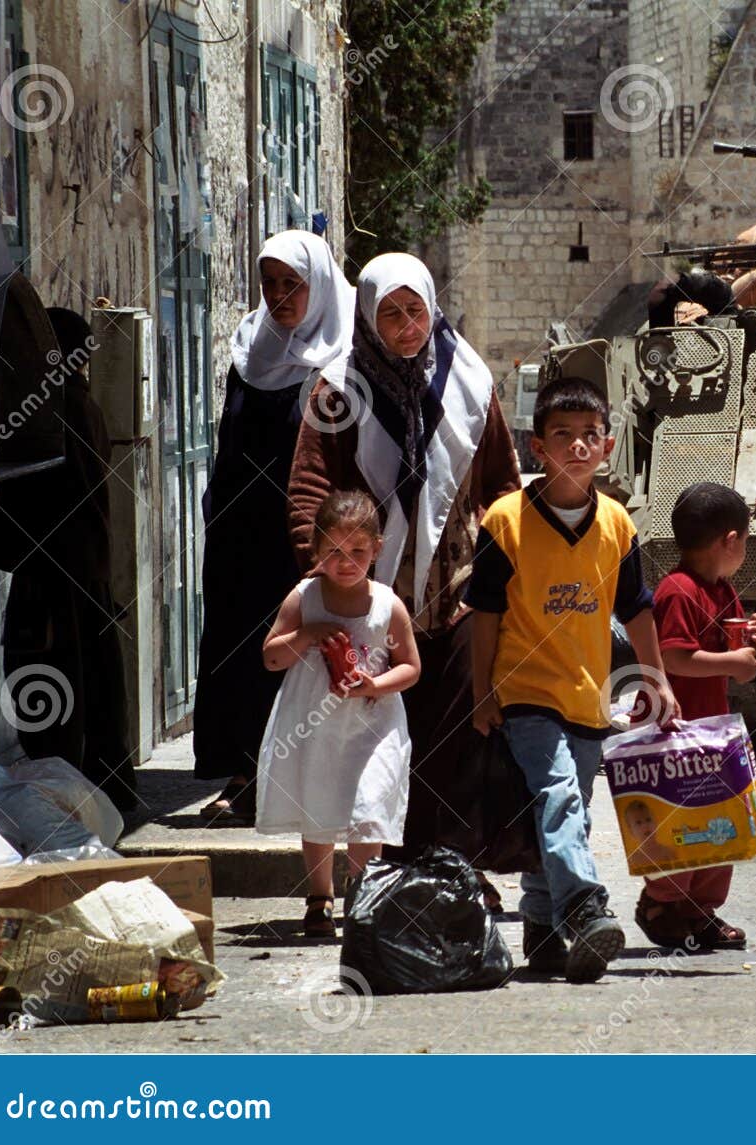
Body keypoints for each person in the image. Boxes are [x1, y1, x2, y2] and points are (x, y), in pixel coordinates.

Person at [287, 252, 521, 909]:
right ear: (368, 315)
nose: (407, 324)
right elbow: (309, 493)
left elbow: (501, 480)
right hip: (372, 596)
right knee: (383, 737)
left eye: (415, 308)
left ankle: (451, 868)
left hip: (459, 587)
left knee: (457, 735)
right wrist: (325, 585)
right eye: (390, 312)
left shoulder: (468, 379)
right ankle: (387, 873)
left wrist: (511, 572)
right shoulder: (338, 390)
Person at [465, 377, 679, 983]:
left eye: (590, 436)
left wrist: (656, 679)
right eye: (564, 436)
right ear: (539, 447)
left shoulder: (616, 525)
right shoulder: (506, 522)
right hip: (526, 691)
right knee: (557, 796)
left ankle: (542, 930)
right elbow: (485, 614)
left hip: (590, 696)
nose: (578, 447)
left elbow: (636, 606)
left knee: (564, 814)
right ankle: (586, 910)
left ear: (608, 447)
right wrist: (483, 691)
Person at [196, 231, 354, 824]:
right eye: (271, 283)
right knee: (240, 644)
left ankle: (303, 776)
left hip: (305, 532)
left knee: (306, 643)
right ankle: (242, 773)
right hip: (240, 527)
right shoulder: (249, 350)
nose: (281, 296)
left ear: (318, 285)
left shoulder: (340, 357)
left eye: (294, 283)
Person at [0, 307, 135, 809]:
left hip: (52, 576)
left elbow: (32, 491)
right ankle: (100, 781)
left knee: (53, 681)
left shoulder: (51, 408)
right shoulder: (76, 402)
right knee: (88, 682)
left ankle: (62, 791)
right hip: (77, 572)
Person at [256, 490, 420, 938]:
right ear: (316, 550)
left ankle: (364, 894)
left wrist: (375, 684)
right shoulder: (305, 598)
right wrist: (307, 634)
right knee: (319, 803)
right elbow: (271, 657)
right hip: (316, 725)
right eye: (333, 552)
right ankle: (320, 895)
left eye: (357, 552)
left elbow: (410, 666)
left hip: (374, 724)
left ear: (377, 550)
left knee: (370, 805)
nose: (345, 562)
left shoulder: (387, 604)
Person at [638, 481, 756, 951]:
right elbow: (674, 657)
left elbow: (730, 652)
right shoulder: (678, 590)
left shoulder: (722, 590)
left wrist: (752, 639)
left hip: (713, 733)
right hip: (677, 732)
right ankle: (662, 904)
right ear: (730, 540)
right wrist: (733, 664)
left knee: (720, 825)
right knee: (678, 826)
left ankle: (701, 911)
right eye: (746, 543)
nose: (744, 552)